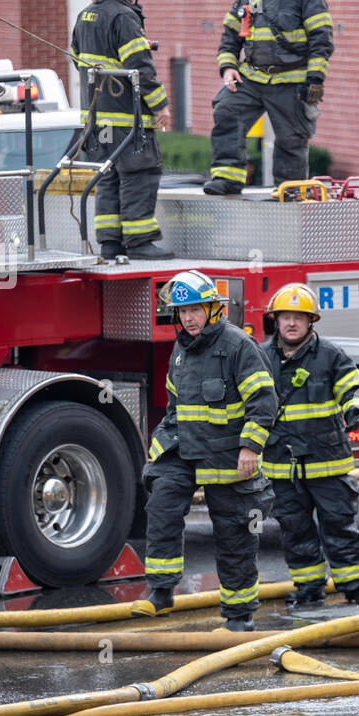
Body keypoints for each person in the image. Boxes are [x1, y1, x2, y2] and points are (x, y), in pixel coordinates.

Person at [132, 270, 277, 631]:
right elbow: (175, 408)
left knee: (233, 533)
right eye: (182, 312)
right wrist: (160, 445)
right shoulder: (180, 351)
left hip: (227, 455)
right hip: (184, 449)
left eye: (195, 309)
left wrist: (249, 447)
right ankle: (161, 591)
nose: (189, 318)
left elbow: (264, 400)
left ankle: (239, 615)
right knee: (162, 505)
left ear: (213, 309)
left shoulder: (238, 345)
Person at [259, 283, 359, 608]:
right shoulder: (261, 358)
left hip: (328, 463)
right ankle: (309, 587)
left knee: (339, 524)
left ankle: (354, 586)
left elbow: (353, 386)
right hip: (283, 467)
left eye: (299, 316)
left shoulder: (330, 356)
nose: (292, 323)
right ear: (276, 320)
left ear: (311, 321)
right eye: (286, 316)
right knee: (295, 531)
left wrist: (355, 409)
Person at [203, 0, 334, 195]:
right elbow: (229, 38)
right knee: (226, 110)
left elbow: (322, 41)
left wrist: (315, 79)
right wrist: (228, 68)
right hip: (251, 77)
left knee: (291, 138)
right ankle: (227, 178)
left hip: (292, 81)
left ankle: (289, 190)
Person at [70, 0, 172, 260]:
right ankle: (140, 243)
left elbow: (77, 58)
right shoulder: (124, 17)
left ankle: (110, 244)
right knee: (140, 174)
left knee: (109, 177)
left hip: (98, 119)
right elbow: (140, 66)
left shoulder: (86, 15)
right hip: (128, 120)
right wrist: (161, 106)